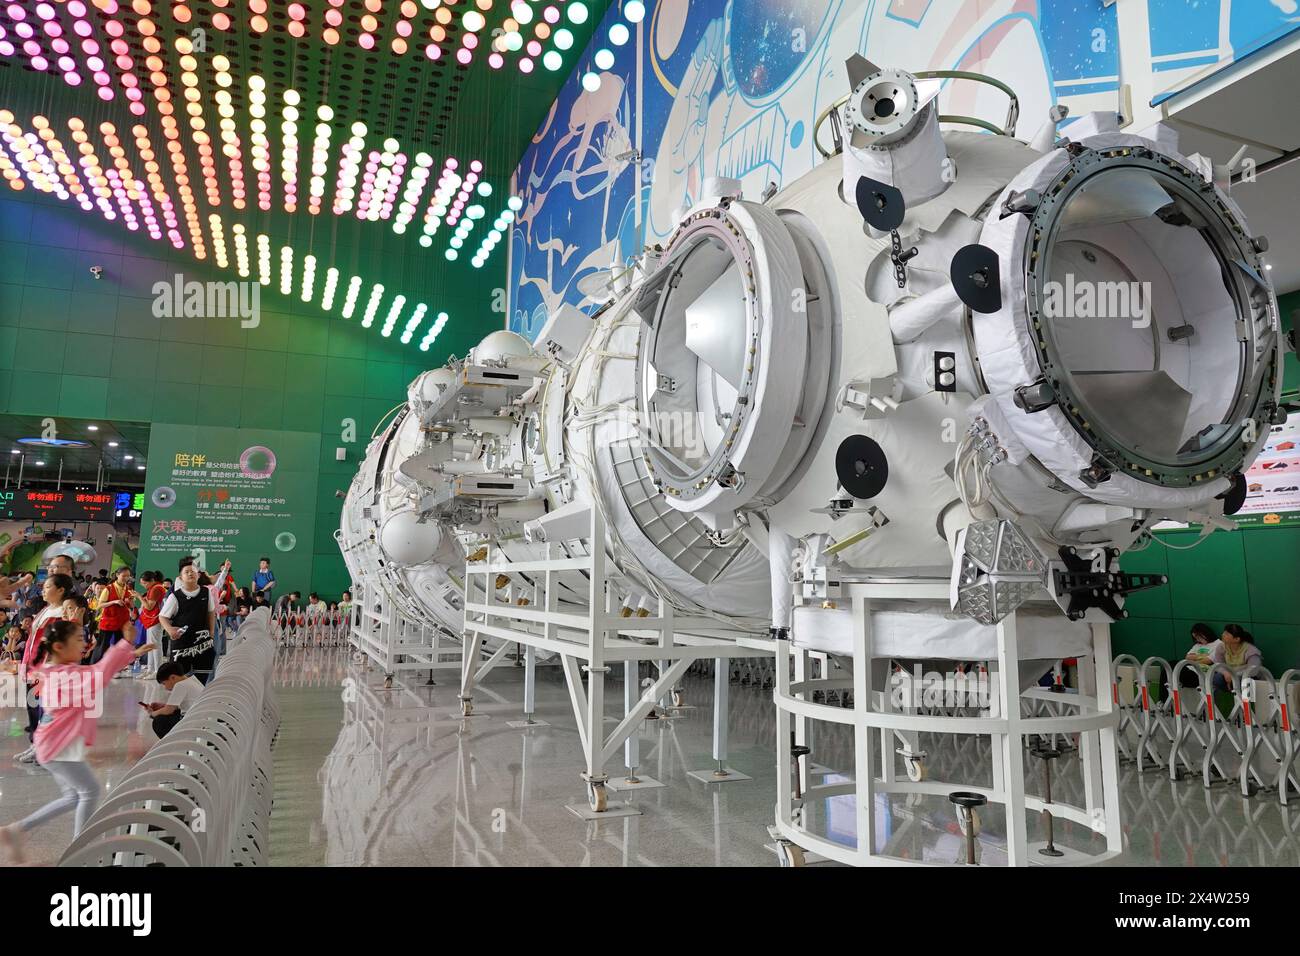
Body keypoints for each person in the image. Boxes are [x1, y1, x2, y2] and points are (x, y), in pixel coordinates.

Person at [0, 620, 155, 862]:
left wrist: (130, 652)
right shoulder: (61, 675)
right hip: (57, 745)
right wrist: (125, 644)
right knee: (90, 791)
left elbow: (93, 672)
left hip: (57, 743)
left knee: (74, 796)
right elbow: (97, 675)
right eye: (79, 640)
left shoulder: (59, 669)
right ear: (60, 646)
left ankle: (16, 830)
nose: (85, 645)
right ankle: (79, 849)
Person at [14, 573, 76, 765]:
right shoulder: (47, 609)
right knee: (33, 709)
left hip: (46, 669)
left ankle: (45, 750)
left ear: (61, 590)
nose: (43, 590)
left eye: (47, 587)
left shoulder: (62, 614)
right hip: (32, 665)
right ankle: (36, 745)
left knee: (45, 711)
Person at [159, 562, 217, 684]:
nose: (190, 573)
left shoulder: (206, 592)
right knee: (180, 678)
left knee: (202, 678)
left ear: (199, 575)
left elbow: (211, 612)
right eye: (186, 572)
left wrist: (211, 632)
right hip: (182, 644)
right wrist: (170, 630)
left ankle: (199, 701)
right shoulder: (175, 596)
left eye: (193, 571)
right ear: (180, 578)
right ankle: (180, 702)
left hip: (203, 642)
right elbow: (163, 617)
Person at [144, 661, 204, 738]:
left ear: (173, 677)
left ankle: (174, 744)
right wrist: (163, 706)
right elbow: (179, 705)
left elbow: (169, 710)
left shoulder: (180, 685)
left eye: (164, 683)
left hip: (192, 721)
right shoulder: (191, 680)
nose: (165, 687)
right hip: (199, 717)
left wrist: (152, 714)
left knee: (159, 721)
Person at [91, 566, 136, 665]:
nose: (126, 578)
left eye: (128, 576)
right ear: (117, 575)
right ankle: (95, 666)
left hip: (122, 622)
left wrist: (130, 601)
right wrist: (114, 602)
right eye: (123, 576)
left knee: (119, 646)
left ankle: (116, 667)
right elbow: (100, 605)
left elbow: (132, 606)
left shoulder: (129, 589)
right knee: (103, 645)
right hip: (109, 621)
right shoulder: (108, 588)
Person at [1211, 624, 1262, 692]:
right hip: (1229, 675)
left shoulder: (1251, 650)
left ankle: (1246, 700)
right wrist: (1225, 673)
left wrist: (1233, 675)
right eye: (1224, 632)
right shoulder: (1221, 647)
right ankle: (1229, 693)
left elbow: (1253, 671)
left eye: (1227, 634)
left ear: (1237, 639)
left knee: (1244, 680)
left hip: (1246, 676)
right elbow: (1218, 664)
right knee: (1217, 678)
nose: (1223, 635)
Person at [136, 571, 168, 679]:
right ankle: (150, 669)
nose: (144, 586)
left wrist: (139, 597)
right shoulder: (154, 588)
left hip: (156, 620)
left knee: (155, 645)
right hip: (152, 620)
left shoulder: (156, 588)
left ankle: (157, 670)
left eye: (145, 583)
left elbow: (149, 607)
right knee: (151, 645)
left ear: (152, 581)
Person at [1179, 622, 1220, 688]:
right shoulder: (1197, 645)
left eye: (1198, 637)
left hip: (1203, 673)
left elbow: (1208, 661)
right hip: (1190, 669)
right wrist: (1203, 656)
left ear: (1204, 633)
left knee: (1177, 673)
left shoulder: (1218, 644)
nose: (1198, 640)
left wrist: (1194, 659)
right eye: (1195, 638)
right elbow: (1187, 657)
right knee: (1171, 668)